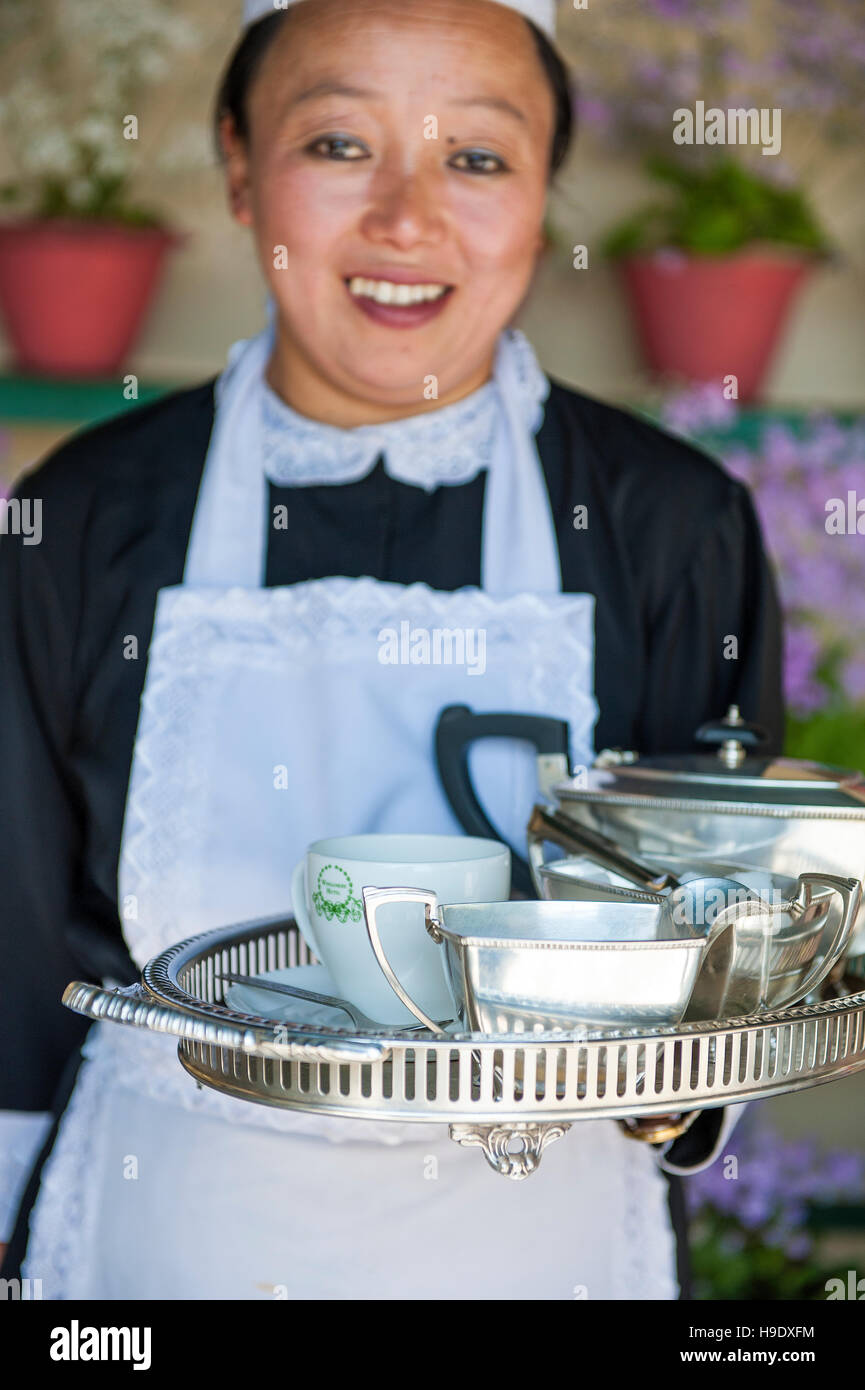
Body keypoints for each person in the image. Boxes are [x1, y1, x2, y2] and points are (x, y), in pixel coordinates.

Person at [0, 0, 782, 1300]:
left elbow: (723, 940)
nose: (407, 219)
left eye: (476, 158)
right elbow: (12, 942)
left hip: (543, 1242)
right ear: (239, 163)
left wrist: (676, 1091)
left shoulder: (668, 522)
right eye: (338, 144)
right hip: (169, 1244)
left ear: (543, 194)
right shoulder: (78, 517)